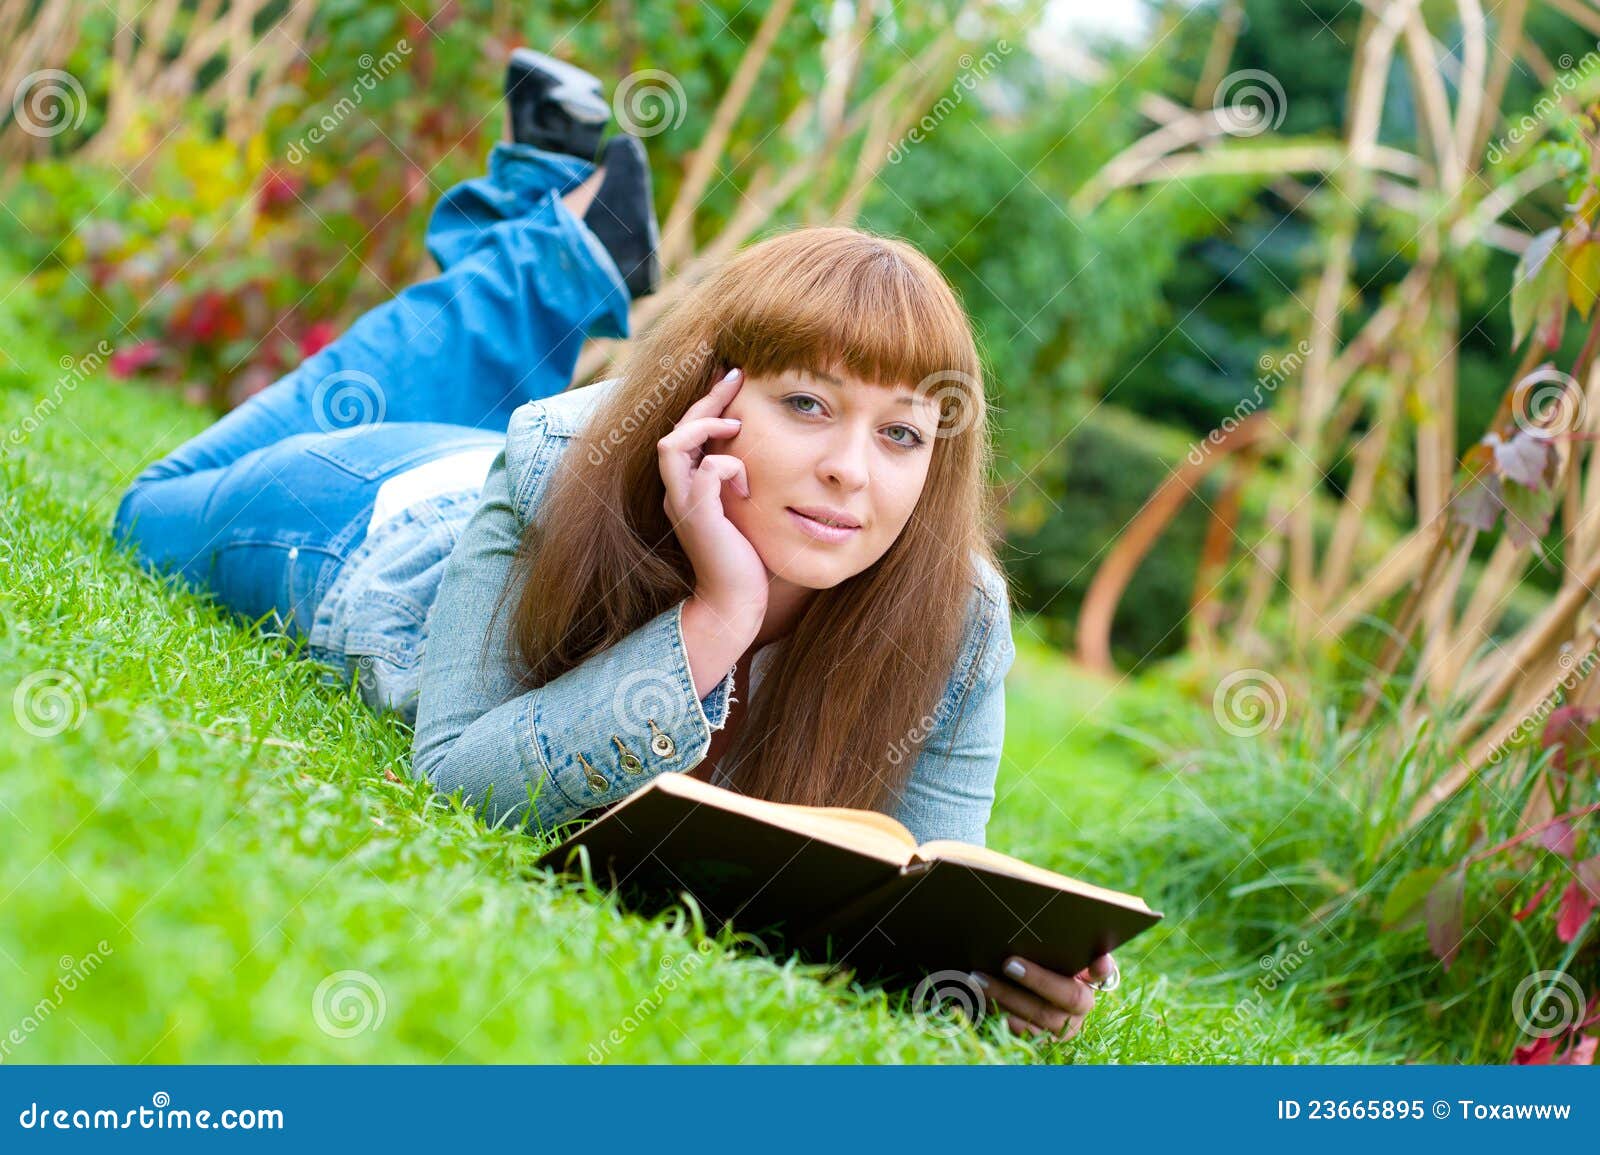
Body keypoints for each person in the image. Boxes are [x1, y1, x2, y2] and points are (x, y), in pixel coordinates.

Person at [110, 48, 1119, 1040]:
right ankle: (548, 262)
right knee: (144, 509)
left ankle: (554, 217)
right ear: (707, 400)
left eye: (901, 432)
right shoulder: (554, 462)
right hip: (371, 523)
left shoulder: (957, 612)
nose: (853, 471)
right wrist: (716, 617)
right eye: (807, 403)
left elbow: (928, 881)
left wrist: (1002, 971)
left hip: (538, 468)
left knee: (533, 414)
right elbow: (458, 775)